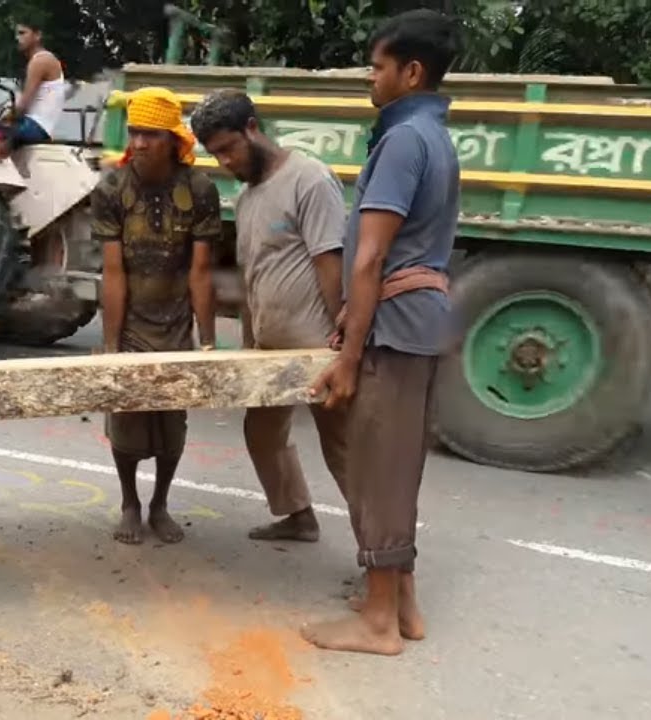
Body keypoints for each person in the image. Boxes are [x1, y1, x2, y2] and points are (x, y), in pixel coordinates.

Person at [302, 9, 462, 656]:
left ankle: (376, 623)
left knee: (378, 469)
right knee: (398, 466)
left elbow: (369, 258)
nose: (370, 78)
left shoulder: (403, 143)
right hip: (418, 323)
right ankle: (403, 606)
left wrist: (349, 354)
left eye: (377, 66)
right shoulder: (435, 136)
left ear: (411, 71)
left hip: (394, 327)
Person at [189, 89, 349, 544]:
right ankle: (298, 516)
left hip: (320, 347)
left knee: (344, 449)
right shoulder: (246, 199)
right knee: (262, 434)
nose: (223, 162)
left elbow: (328, 261)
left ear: (253, 129)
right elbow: (252, 276)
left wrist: (343, 339)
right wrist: (248, 341)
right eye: (214, 154)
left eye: (228, 149)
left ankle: (380, 556)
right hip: (269, 348)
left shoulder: (309, 180)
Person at [91, 87, 222, 545]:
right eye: (135, 133)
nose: (140, 143)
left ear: (172, 138)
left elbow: (201, 272)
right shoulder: (111, 189)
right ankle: (129, 501)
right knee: (126, 422)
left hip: (176, 326)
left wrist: (206, 345)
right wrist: (111, 349)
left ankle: (161, 503)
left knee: (171, 427)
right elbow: (113, 272)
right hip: (130, 327)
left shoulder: (199, 190)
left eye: (150, 134)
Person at [0, 20, 66, 160]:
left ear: (37, 35)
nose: (18, 38)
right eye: (17, 34)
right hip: (40, 125)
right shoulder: (43, 59)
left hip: (35, 126)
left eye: (23, 33)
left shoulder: (40, 61)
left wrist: (4, 118)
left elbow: (23, 106)